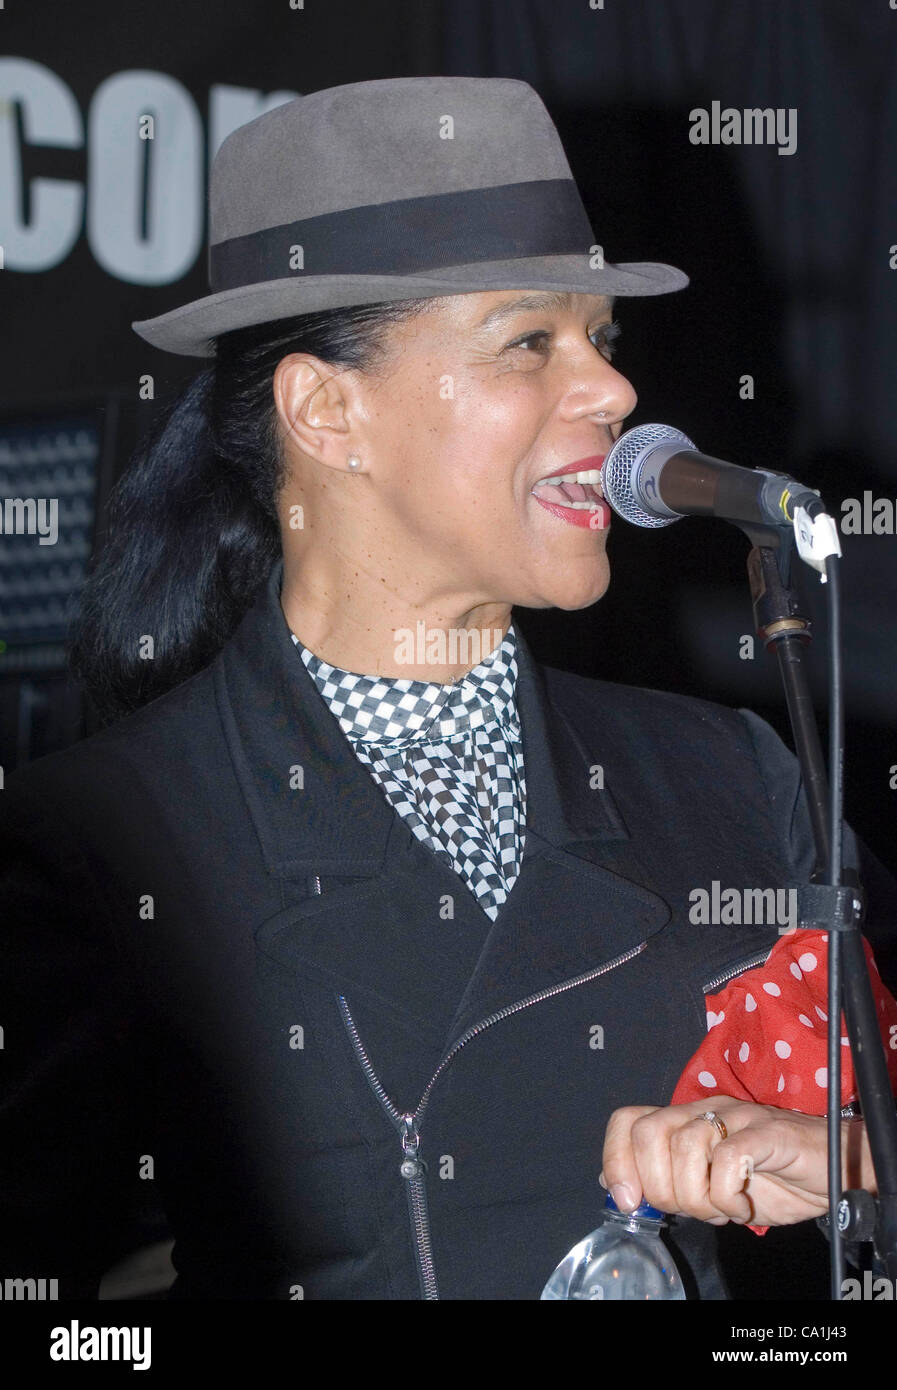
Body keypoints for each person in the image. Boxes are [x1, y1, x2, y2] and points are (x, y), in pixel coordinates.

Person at [2, 76, 895, 1302]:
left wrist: (853, 1171)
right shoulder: (98, 843)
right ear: (327, 410)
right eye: (530, 341)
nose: (615, 391)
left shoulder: (740, 779)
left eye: (602, 340)